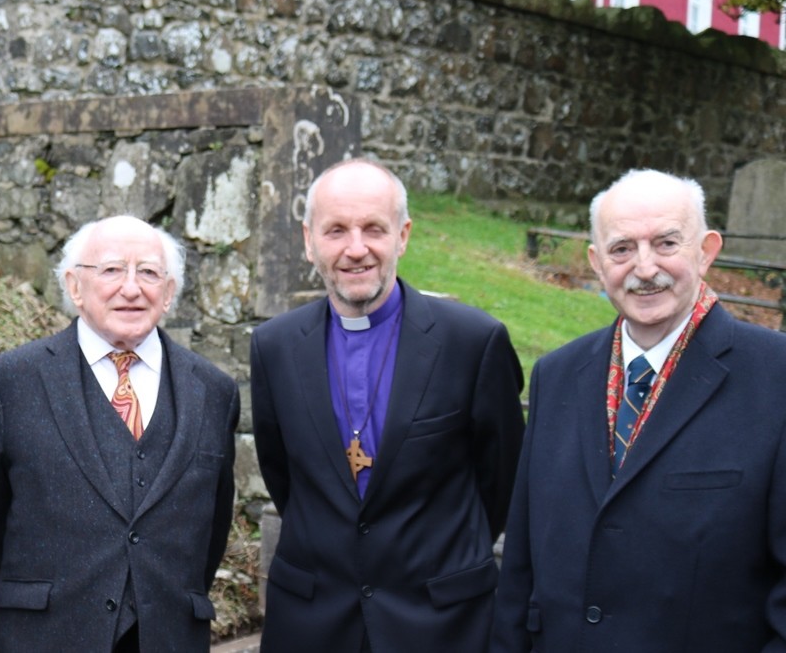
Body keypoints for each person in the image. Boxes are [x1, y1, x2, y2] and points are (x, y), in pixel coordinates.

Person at [492, 169, 786, 651]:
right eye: (622, 248)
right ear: (596, 262)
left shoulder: (775, 377)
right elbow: (521, 567)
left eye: (666, 243)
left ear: (706, 250)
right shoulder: (557, 375)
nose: (645, 268)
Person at [250, 158, 525, 652]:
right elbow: (283, 477)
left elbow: (501, 481)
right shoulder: (274, 346)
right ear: (309, 241)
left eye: (374, 228)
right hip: (312, 623)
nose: (356, 249)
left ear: (403, 235)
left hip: (440, 623)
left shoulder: (473, 342)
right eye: (336, 230)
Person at [0, 214, 240, 653]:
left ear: (169, 293)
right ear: (75, 286)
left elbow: (214, 525)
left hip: (168, 638)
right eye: (111, 270)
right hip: (42, 638)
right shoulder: (12, 381)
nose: (131, 288)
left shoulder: (214, 391)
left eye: (148, 272)